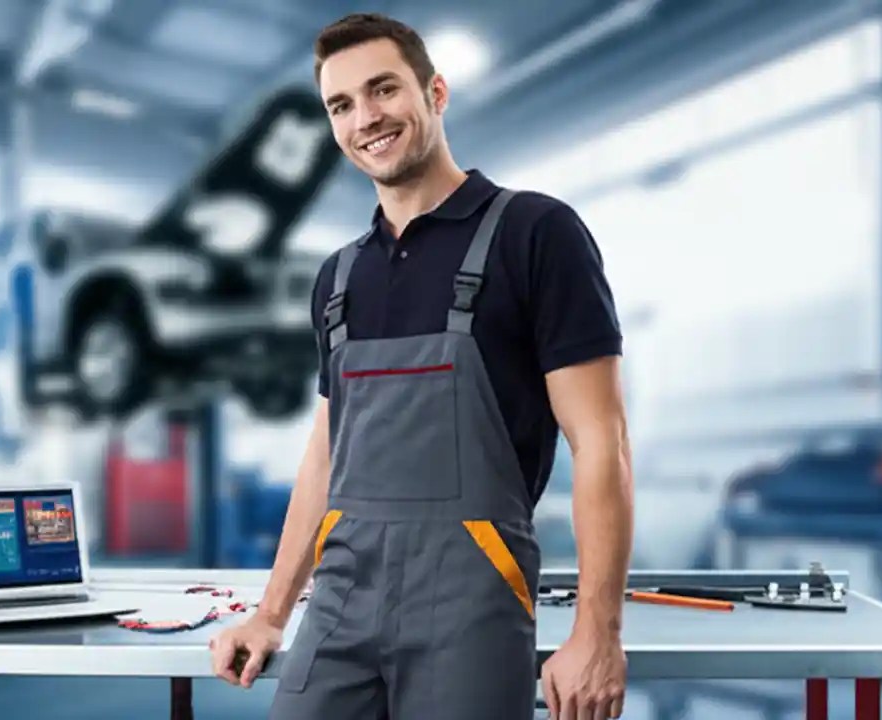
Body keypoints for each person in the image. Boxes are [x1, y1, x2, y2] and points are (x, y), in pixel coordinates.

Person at [208, 12, 634, 720]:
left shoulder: (536, 233)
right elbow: (325, 456)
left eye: (383, 90)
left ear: (434, 93)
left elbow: (602, 444)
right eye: (341, 105)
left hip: (470, 599)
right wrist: (273, 612)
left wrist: (597, 632)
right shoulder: (339, 276)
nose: (365, 118)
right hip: (342, 599)